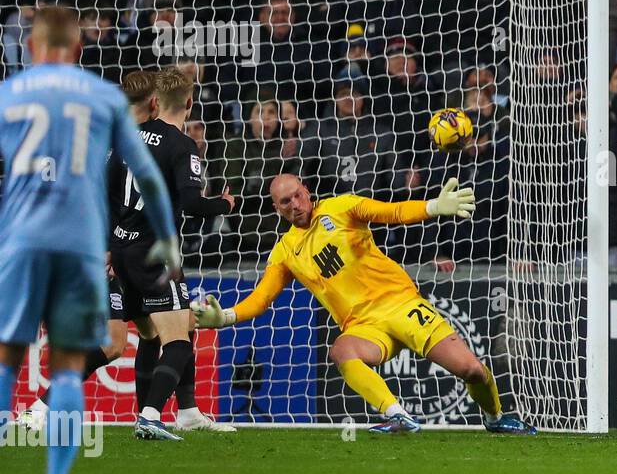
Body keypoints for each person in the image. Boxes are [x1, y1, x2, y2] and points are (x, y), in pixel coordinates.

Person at [0, 6, 179, 474]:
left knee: (7, 357)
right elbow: (146, 175)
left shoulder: (10, 94)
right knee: (69, 367)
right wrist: (167, 237)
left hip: (21, 242)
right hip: (80, 247)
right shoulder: (103, 98)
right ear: (78, 49)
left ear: (32, 48)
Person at [191, 174, 536, 435]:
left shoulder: (341, 207)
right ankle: (395, 414)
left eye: (297, 196)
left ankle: (495, 418)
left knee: (471, 371)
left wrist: (433, 207)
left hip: (401, 304)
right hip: (364, 327)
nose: (294, 204)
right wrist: (226, 316)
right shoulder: (285, 252)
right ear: (275, 208)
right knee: (342, 351)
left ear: (307, 192)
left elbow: (392, 212)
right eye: (285, 202)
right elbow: (263, 297)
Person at [106, 67, 235, 439]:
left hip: (122, 247)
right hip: (156, 253)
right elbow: (194, 204)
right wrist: (224, 204)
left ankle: (185, 411)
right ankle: (149, 415)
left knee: (153, 333)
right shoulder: (182, 146)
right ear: (190, 104)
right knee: (178, 340)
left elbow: (107, 190)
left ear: (155, 101)